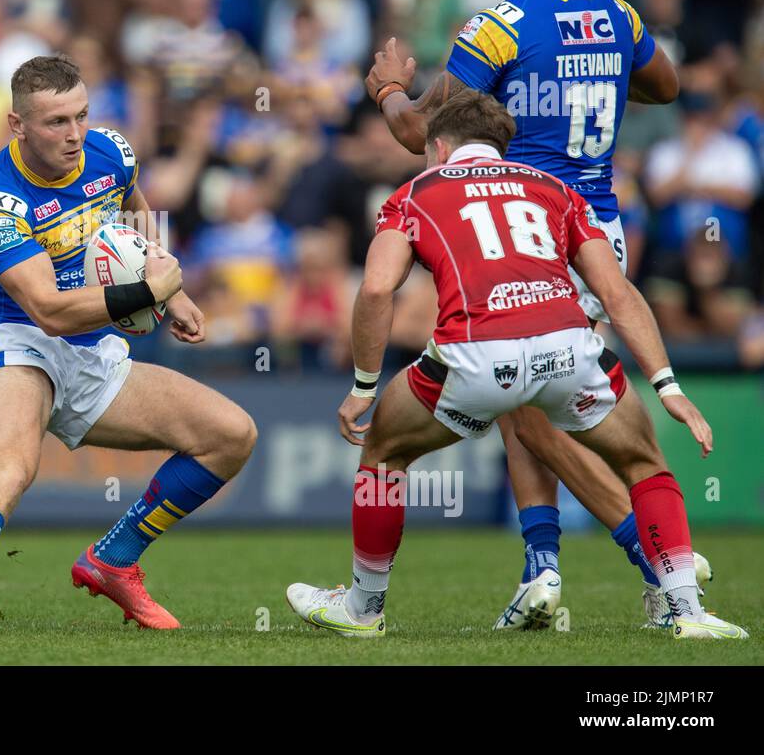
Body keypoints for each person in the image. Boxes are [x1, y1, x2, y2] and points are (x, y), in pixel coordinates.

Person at [364, 0, 696, 630]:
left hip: (526, 227)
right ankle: (542, 568)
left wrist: (385, 87)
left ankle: (651, 560)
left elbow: (422, 134)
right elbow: (668, 87)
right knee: (529, 401)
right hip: (600, 226)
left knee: (537, 400)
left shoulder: (499, 27)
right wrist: (599, 86)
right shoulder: (617, 12)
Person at [286, 92, 748, 641]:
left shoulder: (413, 194)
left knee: (384, 456)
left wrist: (363, 386)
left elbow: (379, 288)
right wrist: (668, 385)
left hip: (476, 357)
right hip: (567, 350)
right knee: (645, 464)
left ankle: (363, 609)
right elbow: (617, 293)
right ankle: (688, 612)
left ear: (438, 146)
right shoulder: (555, 189)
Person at [0, 55, 256, 634]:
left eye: (82, 116)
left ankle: (112, 559)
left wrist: (169, 290)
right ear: (17, 125)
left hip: (95, 350)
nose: (75, 135)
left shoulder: (111, 151)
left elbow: (135, 209)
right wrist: (147, 289)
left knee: (231, 435)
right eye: (56, 122)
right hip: (15, 341)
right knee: (9, 469)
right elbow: (47, 310)